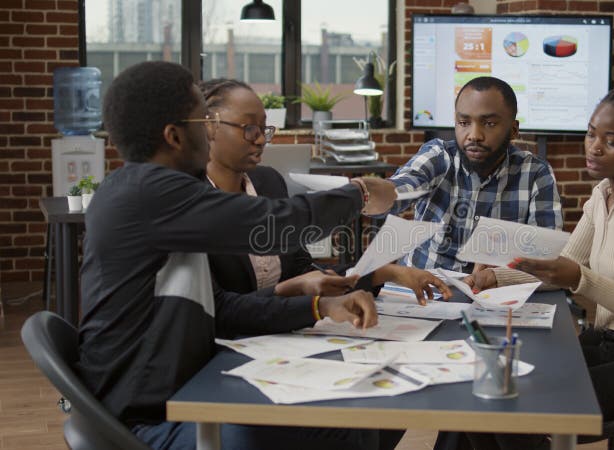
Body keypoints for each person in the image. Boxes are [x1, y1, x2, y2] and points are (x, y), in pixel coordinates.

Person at [76, 61, 400, 450]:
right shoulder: (150, 193)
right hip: (150, 417)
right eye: (203, 122)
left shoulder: (150, 191)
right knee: (349, 428)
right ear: (175, 136)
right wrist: (360, 193)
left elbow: (221, 308)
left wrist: (318, 306)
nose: (210, 131)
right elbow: (273, 226)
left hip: (184, 388)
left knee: (366, 418)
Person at [463, 72, 614, 450]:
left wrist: (581, 279)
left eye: (611, 142)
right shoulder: (602, 195)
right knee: (485, 388)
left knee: (508, 402)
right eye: (591, 134)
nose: (594, 148)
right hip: (606, 342)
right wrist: (495, 277)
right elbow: (562, 267)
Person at [199, 78, 451, 303]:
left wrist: (390, 273)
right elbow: (222, 310)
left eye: (264, 129)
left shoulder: (268, 182)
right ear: (209, 126)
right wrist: (292, 293)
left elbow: (303, 271)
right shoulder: (190, 202)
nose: (261, 139)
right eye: (249, 128)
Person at [386, 76, 562, 274]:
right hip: (425, 291)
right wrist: (374, 193)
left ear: (513, 130)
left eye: (488, 124)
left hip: (494, 294)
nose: (474, 135)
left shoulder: (535, 173)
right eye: (463, 122)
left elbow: (546, 256)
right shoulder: (438, 156)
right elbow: (401, 188)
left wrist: (501, 272)